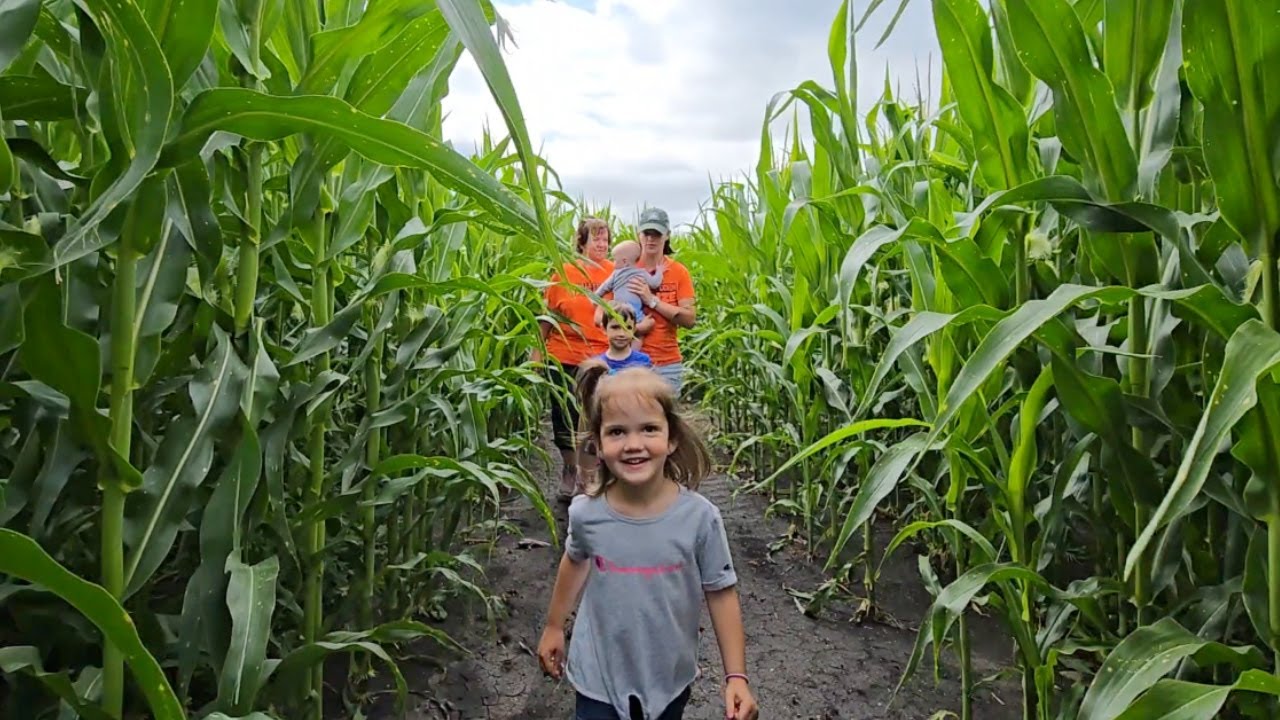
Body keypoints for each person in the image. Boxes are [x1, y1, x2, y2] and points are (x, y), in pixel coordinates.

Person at [537, 365, 759, 720]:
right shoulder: (587, 513)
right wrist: (553, 626)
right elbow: (575, 561)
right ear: (598, 441)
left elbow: (720, 591)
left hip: (668, 675)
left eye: (649, 429)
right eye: (617, 432)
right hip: (598, 673)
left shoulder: (699, 519)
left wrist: (736, 676)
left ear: (671, 438)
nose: (633, 444)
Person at [536, 217, 614, 501]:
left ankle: (591, 472)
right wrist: (536, 355)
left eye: (605, 239)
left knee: (595, 416)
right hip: (563, 354)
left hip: (600, 358)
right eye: (596, 238)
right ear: (581, 242)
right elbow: (547, 318)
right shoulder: (563, 273)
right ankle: (570, 469)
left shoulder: (614, 273)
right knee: (564, 416)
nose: (602, 244)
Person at [624, 208, 696, 395]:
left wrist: (652, 300)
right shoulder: (625, 269)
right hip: (630, 363)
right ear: (638, 234)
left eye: (656, 234)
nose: (650, 239)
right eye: (646, 233)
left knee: (665, 422)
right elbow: (607, 317)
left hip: (668, 365)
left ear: (667, 236)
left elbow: (689, 320)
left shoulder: (679, 272)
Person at [592, 240, 663, 343]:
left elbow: (604, 287)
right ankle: (633, 353)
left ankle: (621, 349)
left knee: (616, 325)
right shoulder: (641, 273)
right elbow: (655, 283)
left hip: (618, 310)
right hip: (635, 312)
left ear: (625, 261)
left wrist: (595, 298)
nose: (613, 263)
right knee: (644, 328)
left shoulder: (616, 274)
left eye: (615, 260)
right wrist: (659, 271)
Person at [595, 301, 653, 371]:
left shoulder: (643, 361)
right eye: (615, 327)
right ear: (604, 329)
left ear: (634, 329)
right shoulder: (598, 364)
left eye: (628, 328)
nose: (622, 334)